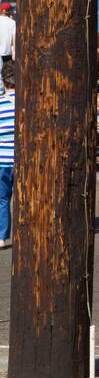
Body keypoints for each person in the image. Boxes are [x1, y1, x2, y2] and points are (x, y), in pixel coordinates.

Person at [0, 60, 15, 249]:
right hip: (23, 160)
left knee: (3, 199)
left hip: (2, 159)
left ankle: (2, 236)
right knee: (25, 199)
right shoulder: (28, 104)